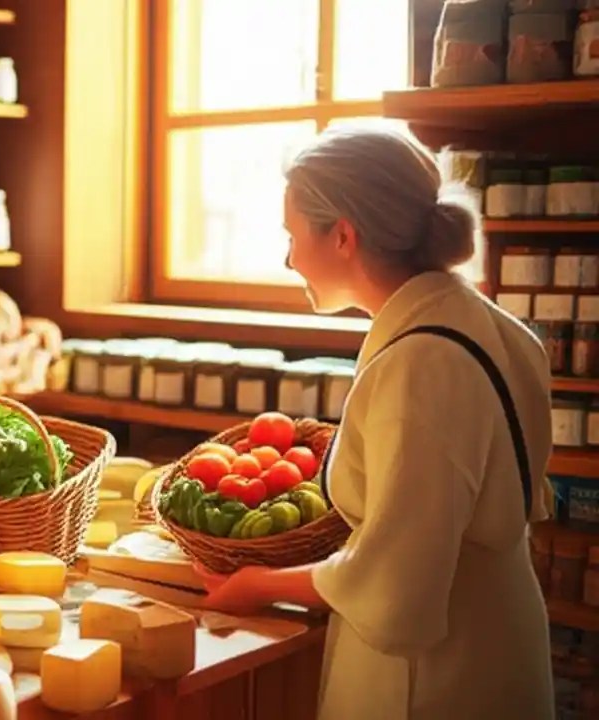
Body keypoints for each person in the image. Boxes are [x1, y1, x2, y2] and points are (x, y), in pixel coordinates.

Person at [196, 125, 555, 720]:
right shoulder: (484, 323)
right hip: (497, 641)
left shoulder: (421, 363)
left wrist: (260, 582)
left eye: (292, 235)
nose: (288, 258)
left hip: (440, 676)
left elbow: (398, 582)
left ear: (342, 235)